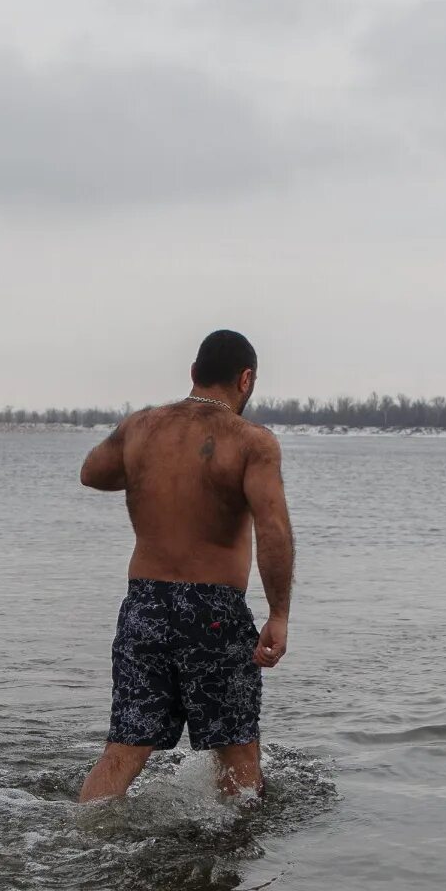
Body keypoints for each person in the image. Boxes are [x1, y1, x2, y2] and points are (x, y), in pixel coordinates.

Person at [76, 329, 295, 803]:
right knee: (237, 751)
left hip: (144, 605)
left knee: (126, 746)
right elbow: (272, 529)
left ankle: (83, 833)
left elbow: (92, 472)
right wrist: (278, 614)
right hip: (213, 610)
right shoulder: (251, 442)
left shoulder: (140, 427)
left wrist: (150, 469)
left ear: (193, 374)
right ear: (246, 380)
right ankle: (231, 860)